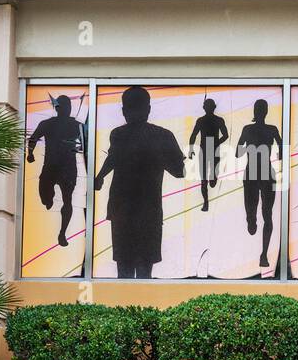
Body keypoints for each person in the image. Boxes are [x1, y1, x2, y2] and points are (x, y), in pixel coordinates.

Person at [94, 86, 186, 279]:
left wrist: (100, 176)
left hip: (123, 210)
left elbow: (112, 158)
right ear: (149, 109)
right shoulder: (162, 135)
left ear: (123, 111)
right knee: (144, 268)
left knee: (125, 268)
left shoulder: (118, 134)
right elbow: (179, 171)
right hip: (147, 210)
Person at [26, 94, 84, 247]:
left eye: (69, 107)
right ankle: (48, 199)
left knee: (68, 200)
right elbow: (33, 139)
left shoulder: (76, 125)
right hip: (51, 166)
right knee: (45, 196)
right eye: (65, 106)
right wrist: (30, 153)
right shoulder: (47, 124)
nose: (68, 109)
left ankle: (62, 233)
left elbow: (86, 143)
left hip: (67, 167)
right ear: (58, 109)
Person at [236, 98, 282, 269]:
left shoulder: (248, 129)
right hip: (264, 172)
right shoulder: (271, 129)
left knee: (258, 211)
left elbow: (237, 153)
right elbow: (281, 146)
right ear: (266, 112)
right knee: (266, 214)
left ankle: (262, 251)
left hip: (254, 172)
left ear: (255, 112)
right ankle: (263, 253)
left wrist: (248, 147)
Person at [187, 98, 228, 212]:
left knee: (205, 180)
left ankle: (206, 201)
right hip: (208, 149)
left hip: (208, 149)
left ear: (204, 108)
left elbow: (194, 135)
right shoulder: (216, 120)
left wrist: (191, 148)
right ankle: (206, 202)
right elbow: (225, 135)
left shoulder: (203, 120)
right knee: (205, 179)